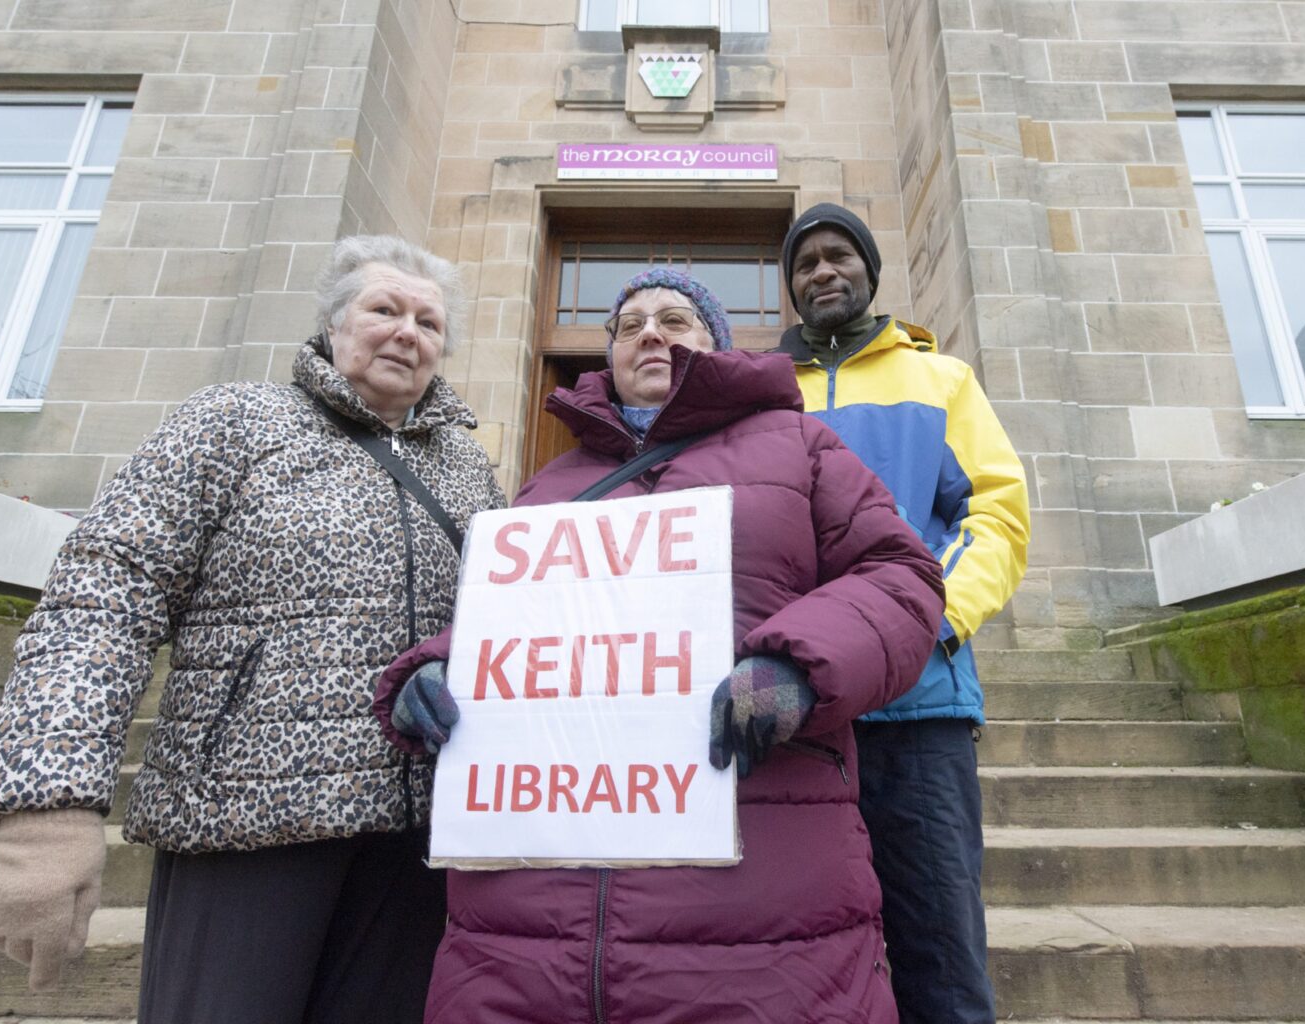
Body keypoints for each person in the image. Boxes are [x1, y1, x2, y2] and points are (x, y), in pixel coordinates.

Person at [373, 267, 945, 1024]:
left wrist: (797, 664)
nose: (650, 333)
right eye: (630, 323)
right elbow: (512, 618)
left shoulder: (801, 445)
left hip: (758, 871)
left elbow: (900, 577)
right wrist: (441, 667)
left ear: (715, 345)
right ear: (607, 355)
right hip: (531, 919)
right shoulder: (551, 483)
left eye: (675, 320)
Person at [0, 234, 507, 1023]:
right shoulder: (233, 421)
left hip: (415, 837)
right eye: (384, 310)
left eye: (429, 323)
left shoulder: (467, 469)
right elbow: (105, 593)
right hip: (246, 822)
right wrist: (47, 810)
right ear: (332, 323)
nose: (407, 333)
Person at [775, 203, 1032, 1024]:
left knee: (940, 956)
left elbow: (994, 515)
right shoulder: (763, 397)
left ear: (870, 271)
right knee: (799, 957)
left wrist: (926, 622)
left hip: (916, 706)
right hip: (793, 712)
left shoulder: (940, 379)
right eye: (805, 262)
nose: (822, 271)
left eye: (838, 256)